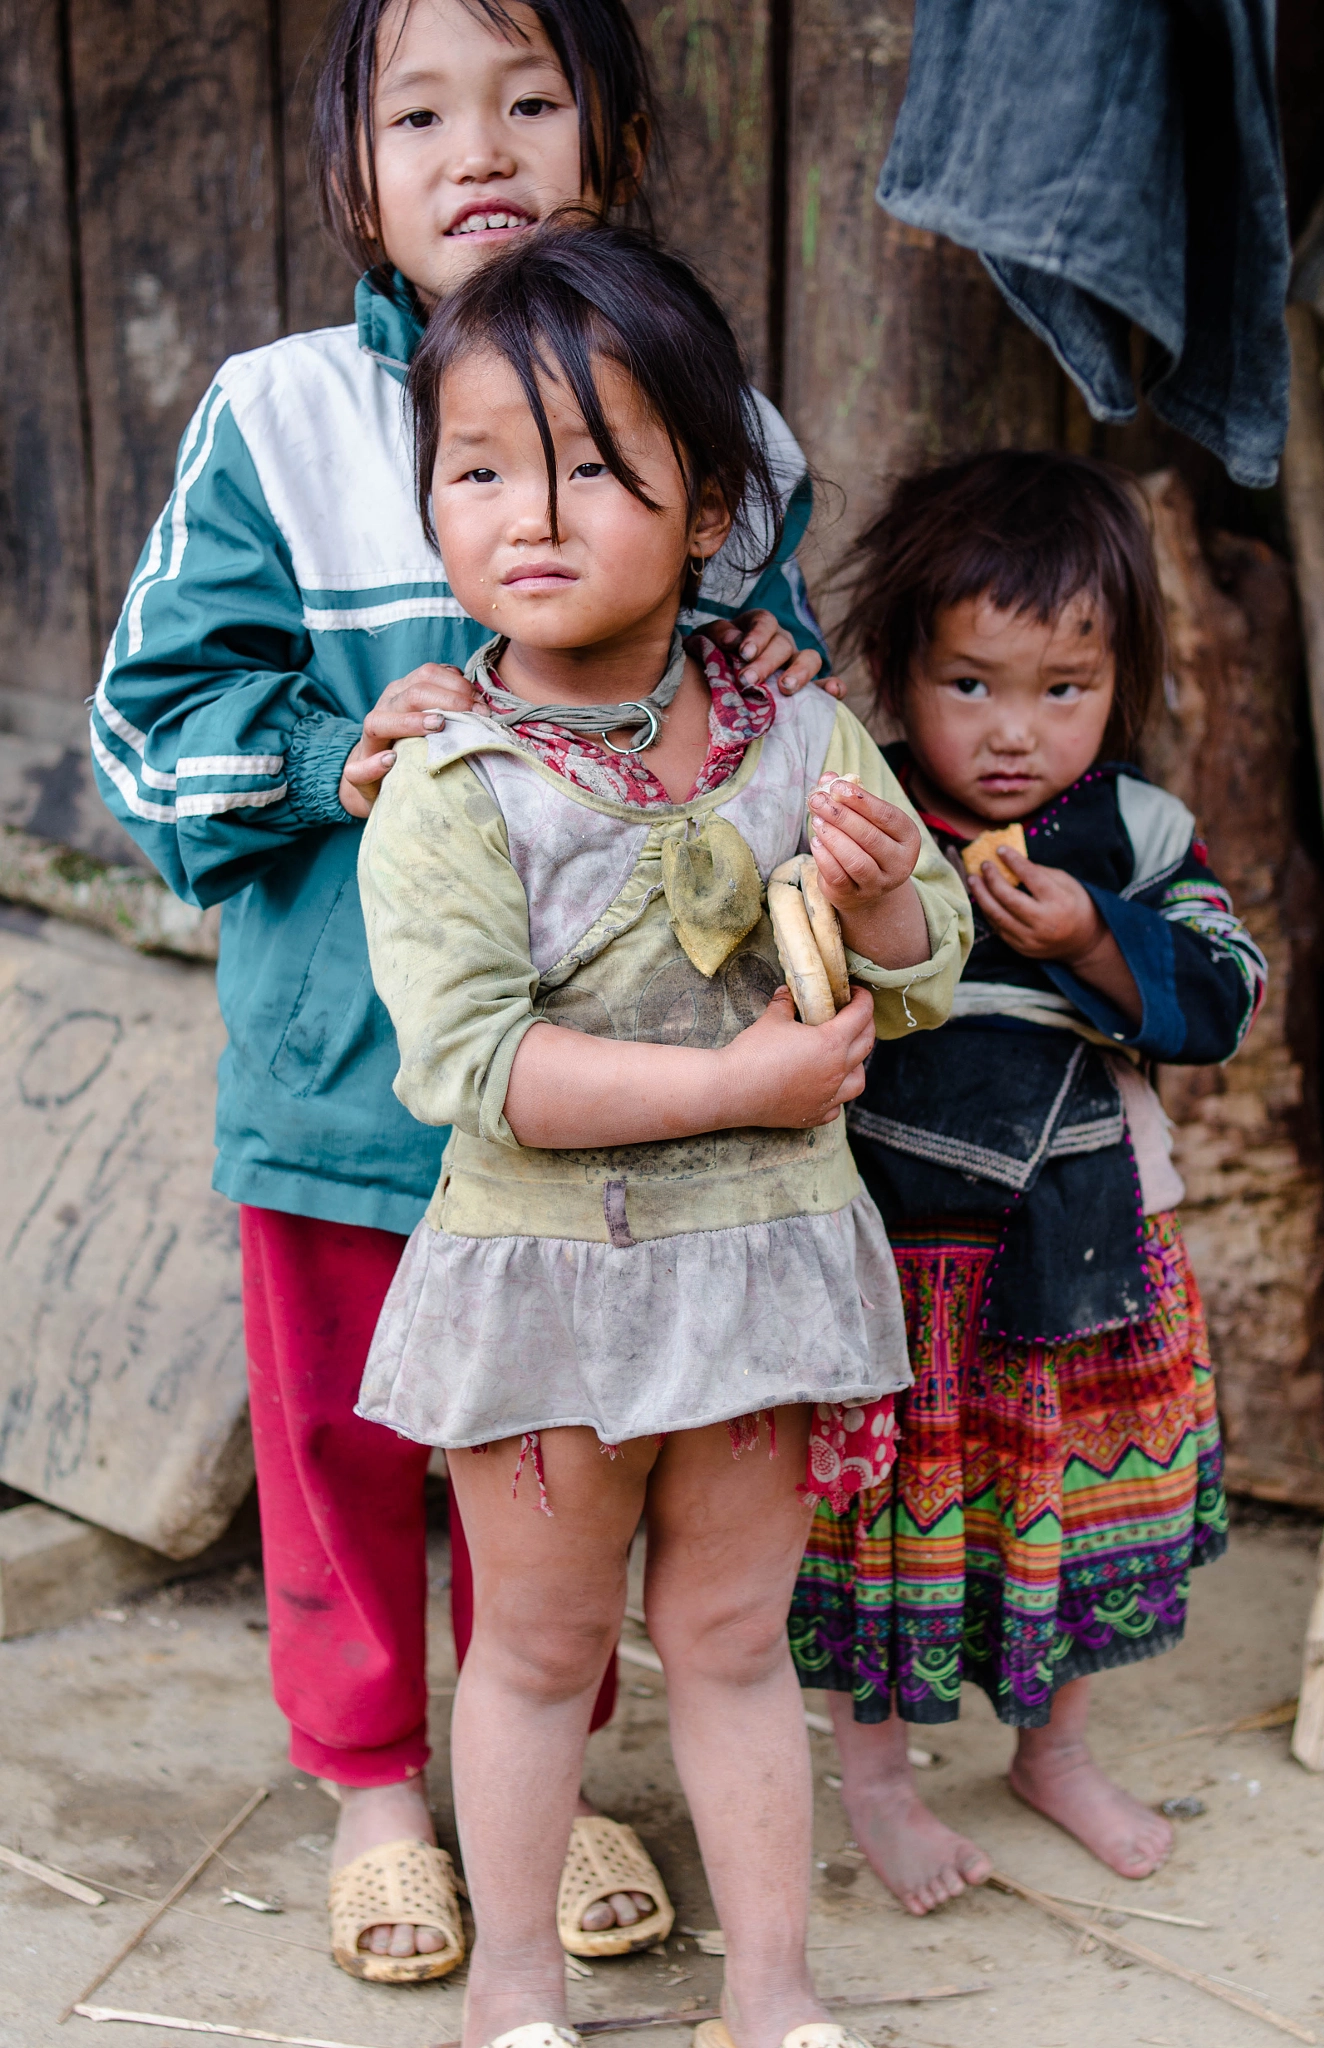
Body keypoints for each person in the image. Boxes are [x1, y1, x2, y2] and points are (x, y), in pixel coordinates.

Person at [89, 0, 838, 1982]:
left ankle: (549, 1758)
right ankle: (370, 1789)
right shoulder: (277, 418)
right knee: (345, 1454)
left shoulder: (711, 413)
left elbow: (780, 684)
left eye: (528, 98)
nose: (476, 146)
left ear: (618, 138)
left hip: (634, 1108)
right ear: (352, 160)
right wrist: (335, 746)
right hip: (356, 1086)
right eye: (419, 109)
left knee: (572, 1451)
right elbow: (140, 725)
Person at [354, 219, 970, 2048]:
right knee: (537, 1654)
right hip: (545, 1288)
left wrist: (872, 914)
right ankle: (515, 1995)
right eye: (480, 469)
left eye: (595, 468)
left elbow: (926, 969)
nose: (530, 514)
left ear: (710, 509)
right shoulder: (452, 787)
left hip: (760, 1277)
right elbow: (480, 1068)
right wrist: (728, 1085)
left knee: (724, 1645)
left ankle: (772, 1996)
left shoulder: (803, 736)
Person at [789, 451, 1266, 1915]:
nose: (1015, 735)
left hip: (1082, 1252)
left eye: (1065, 688)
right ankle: (875, 1784)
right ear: (894, 670)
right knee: (881, 1531)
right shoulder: (853, 808)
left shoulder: (1135, 837)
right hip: (898, 1260)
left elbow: (1229, 993)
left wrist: (1095, 938)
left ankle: (1051, 1751)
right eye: (970, 683)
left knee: (1057, 1510)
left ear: (1120, 679)